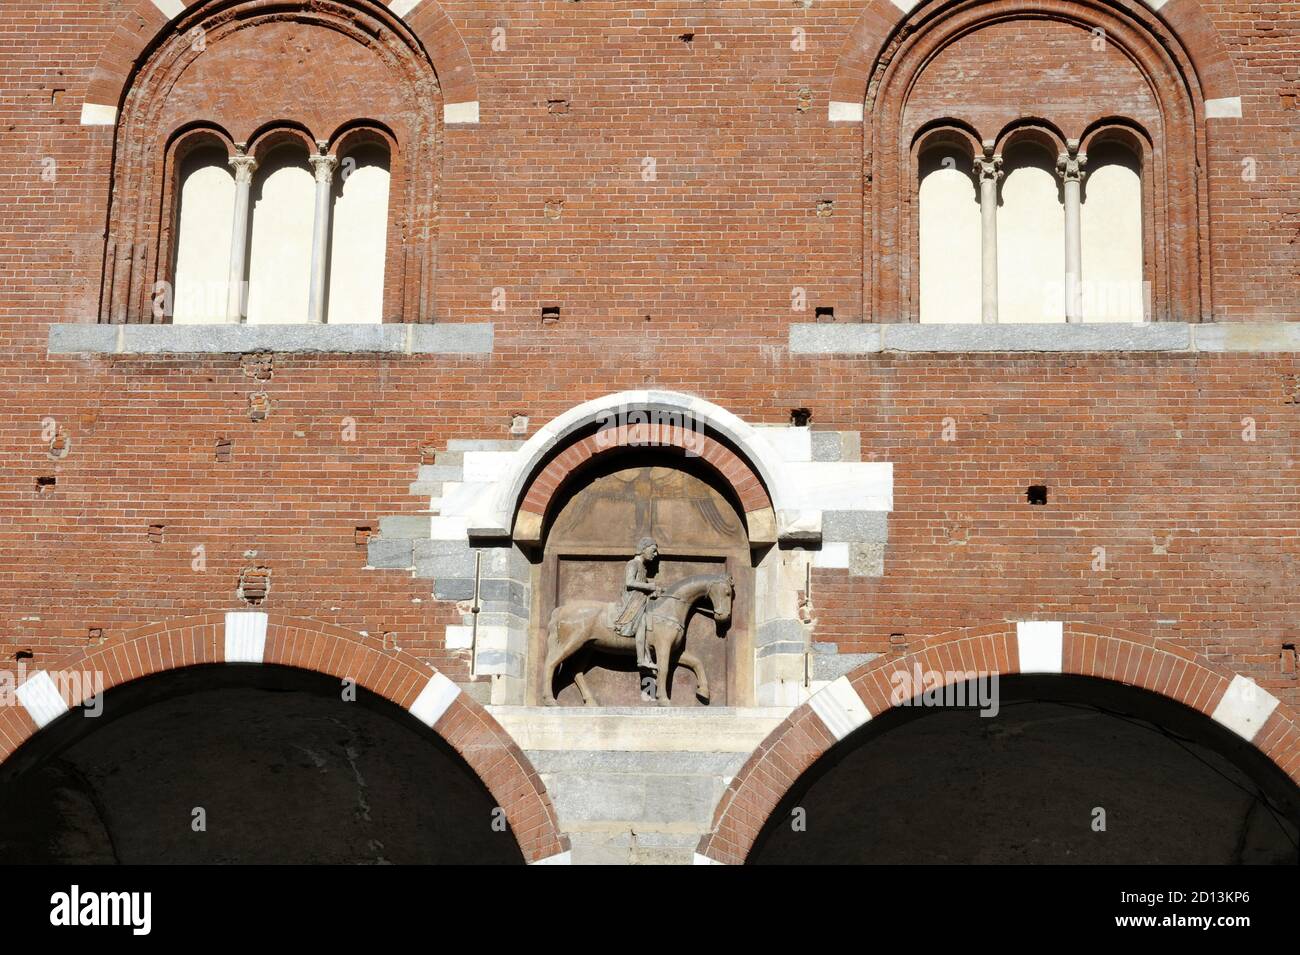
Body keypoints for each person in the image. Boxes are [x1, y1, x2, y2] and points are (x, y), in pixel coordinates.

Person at [613, 537, 663, 670]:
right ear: (643, 549)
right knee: (642, 624)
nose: (655, 554)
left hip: (640, 600)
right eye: (653, 550)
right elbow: (629, 582)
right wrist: (650, 586)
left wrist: (655, 591)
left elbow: (643, 588)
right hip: (632, 602)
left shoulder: (643, 568)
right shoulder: (633, 564)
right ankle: (642, 659)